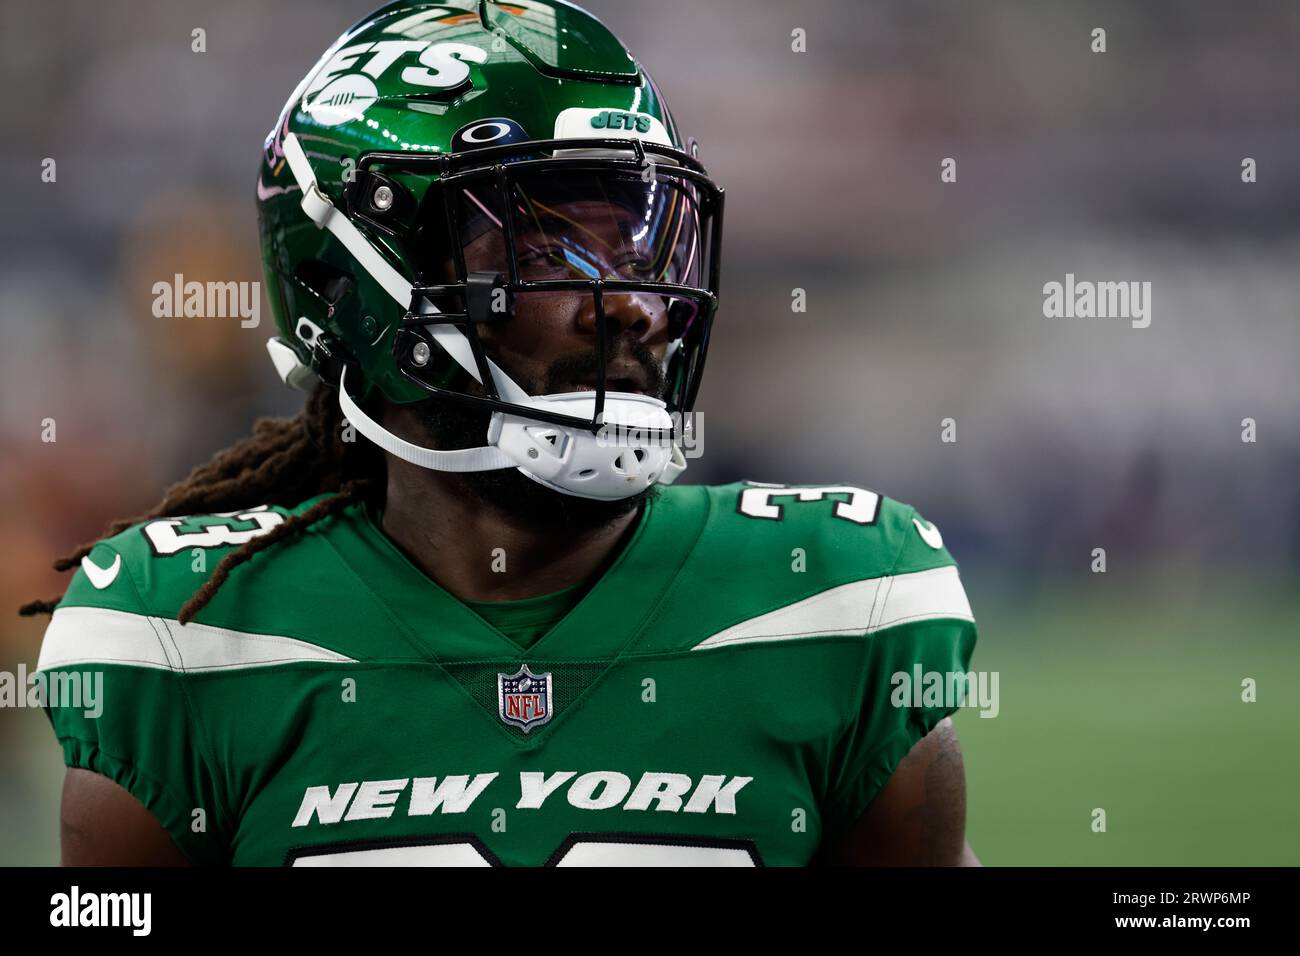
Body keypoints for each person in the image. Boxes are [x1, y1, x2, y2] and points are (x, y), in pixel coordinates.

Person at [27, 0, 979, 866]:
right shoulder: (188, 635)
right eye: (543, 243)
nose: (637, 306)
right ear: (354, 281)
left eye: (642, 241)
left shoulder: (833, 600)